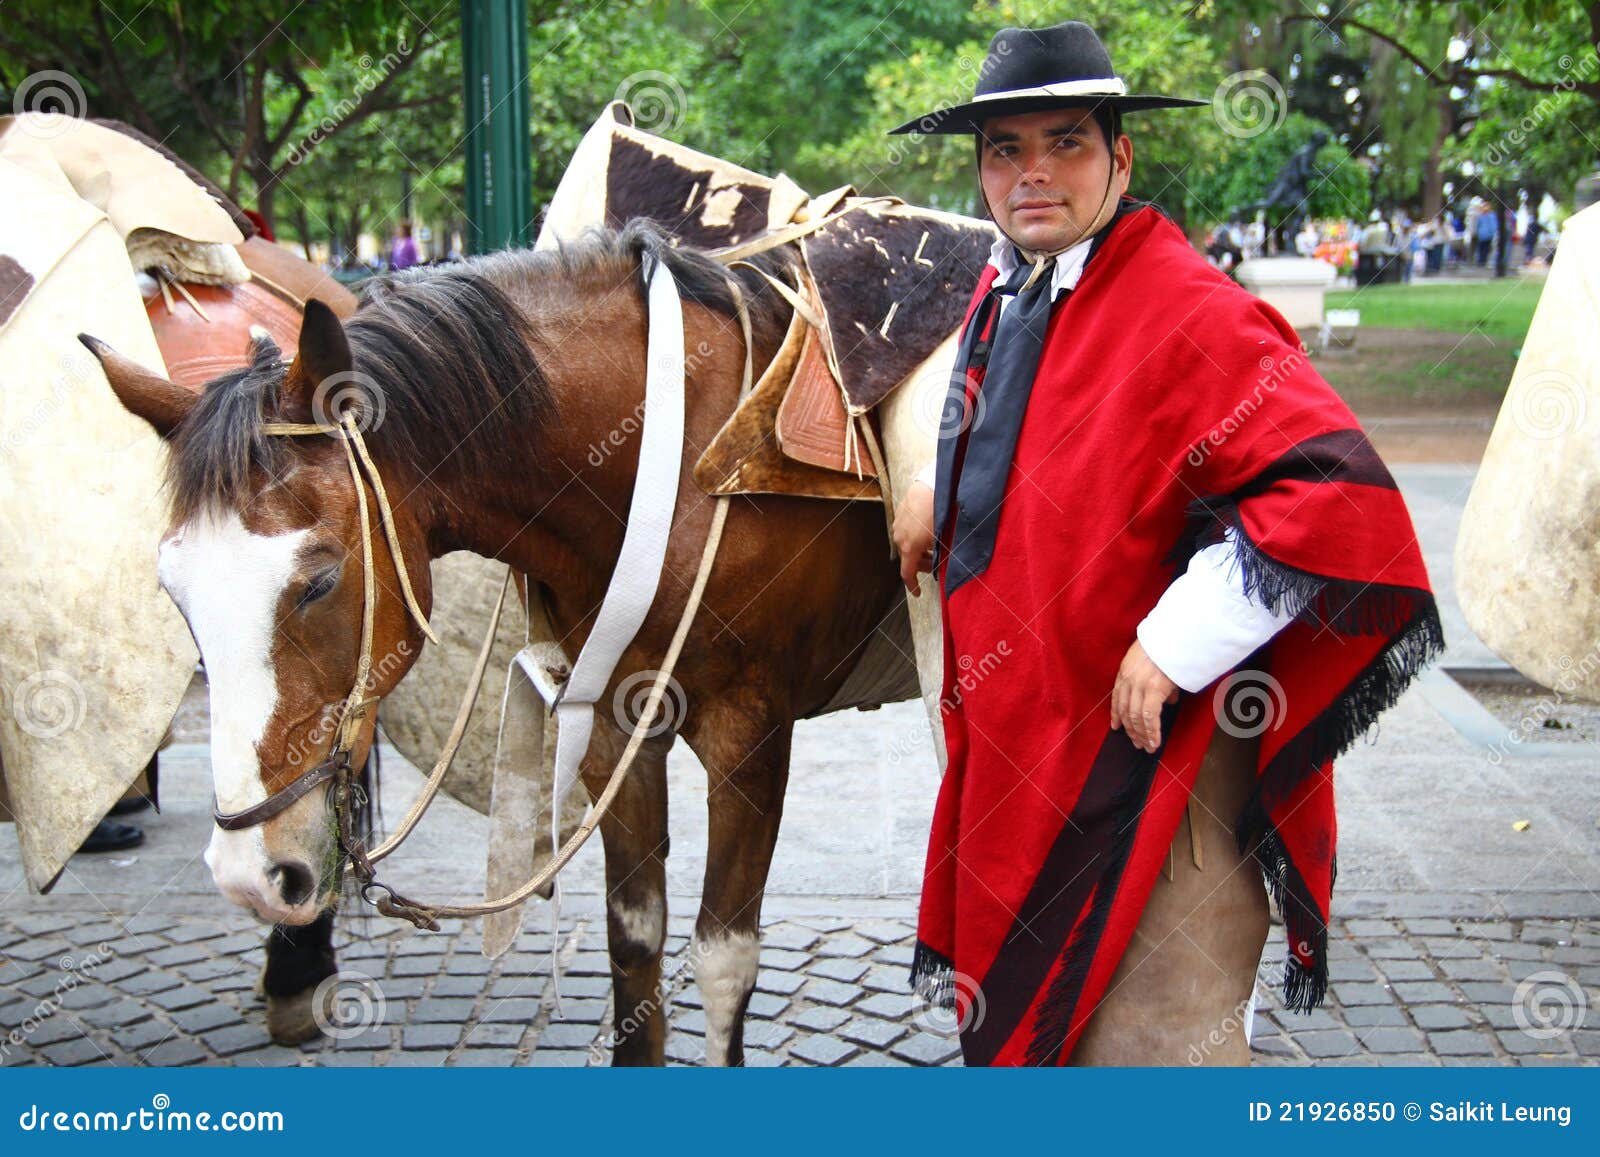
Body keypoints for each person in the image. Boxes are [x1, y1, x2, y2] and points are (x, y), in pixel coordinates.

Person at [887, 20, 1442, 1066]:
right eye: (1004, 149)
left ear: (1121, 157)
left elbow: (1333, 489)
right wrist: (933, 482)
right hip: (1031, 730)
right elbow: (1018, 421)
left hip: (1156, 757)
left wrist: (1175, 640)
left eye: (1064, 143)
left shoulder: (1180, 304)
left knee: (1153, 1043)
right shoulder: (1007, 289)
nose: (1032, 173)